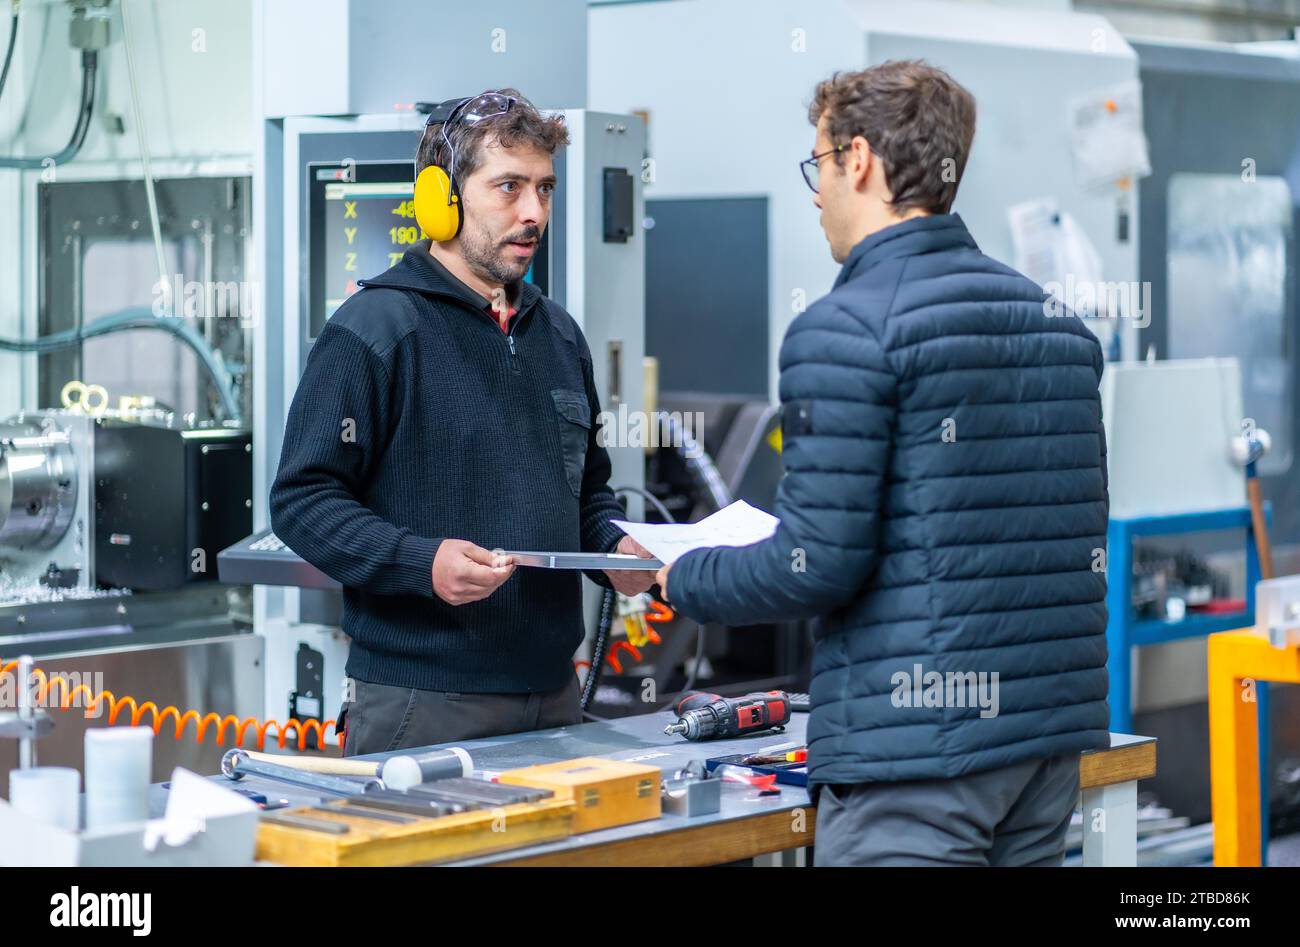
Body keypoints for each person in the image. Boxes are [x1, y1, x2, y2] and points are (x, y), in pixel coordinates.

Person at [656, 61, 1110, 866]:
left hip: (915, 767)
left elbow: (815, 566)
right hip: (1044, 752)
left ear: (857, 160)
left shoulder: (845, 329)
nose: (815, 190)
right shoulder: (1058, 330)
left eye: (819, 163)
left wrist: (682, 574)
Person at [271, 89, 656, 757]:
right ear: (440, 200)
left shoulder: (559, 336)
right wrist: (422, 564)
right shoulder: (374, 332)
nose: (533, 212)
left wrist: (614, 554)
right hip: (424, 706)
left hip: (554, 698)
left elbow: (587, 496)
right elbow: (302, 501)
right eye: (508, 187)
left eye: (544, 188)